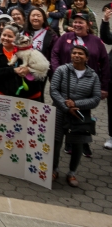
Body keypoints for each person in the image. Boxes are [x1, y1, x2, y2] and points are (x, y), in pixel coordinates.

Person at [50, 44, 101, 188]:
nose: (77, 55)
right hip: (60, 112)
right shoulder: (62, 70)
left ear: (87, 58)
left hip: (80, 115)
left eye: (80, 53)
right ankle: (54, 170)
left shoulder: (93, 76)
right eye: (74, 53)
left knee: (78, 144)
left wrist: (77, 104)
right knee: (56, 141)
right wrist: (66, 107)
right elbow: (53, 91)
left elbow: (96, 98)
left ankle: (72, 173)